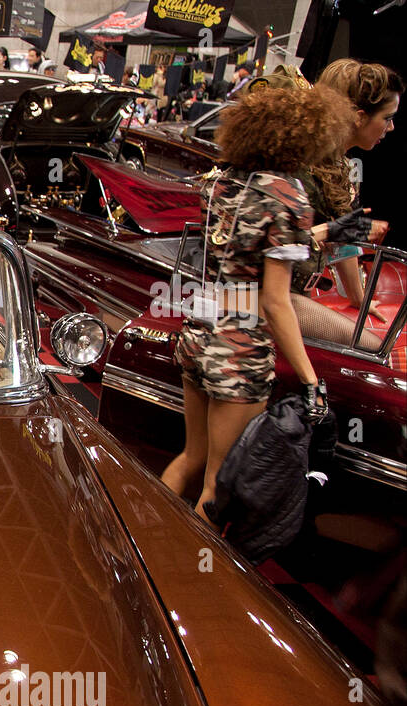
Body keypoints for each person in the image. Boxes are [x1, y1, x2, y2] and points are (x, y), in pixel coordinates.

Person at [160, 85, 352, 521]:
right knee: (218, 482)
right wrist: (309, 380)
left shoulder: (221, 181)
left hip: (198, 331)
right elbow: (276, 302)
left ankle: (144, 542)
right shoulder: (289, 196)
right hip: (239, 348)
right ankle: (193, 578)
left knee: (191, 458)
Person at [297, 59, 402, 332]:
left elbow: (343, 240)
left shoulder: (341, 166)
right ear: (358, 116)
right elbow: (268, 247)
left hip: (288, 296)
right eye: (387, 118)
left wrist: (359, 299)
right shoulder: (297, 166)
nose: (390, 128)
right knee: (375, 351)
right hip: (260, 300)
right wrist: (329, 232)